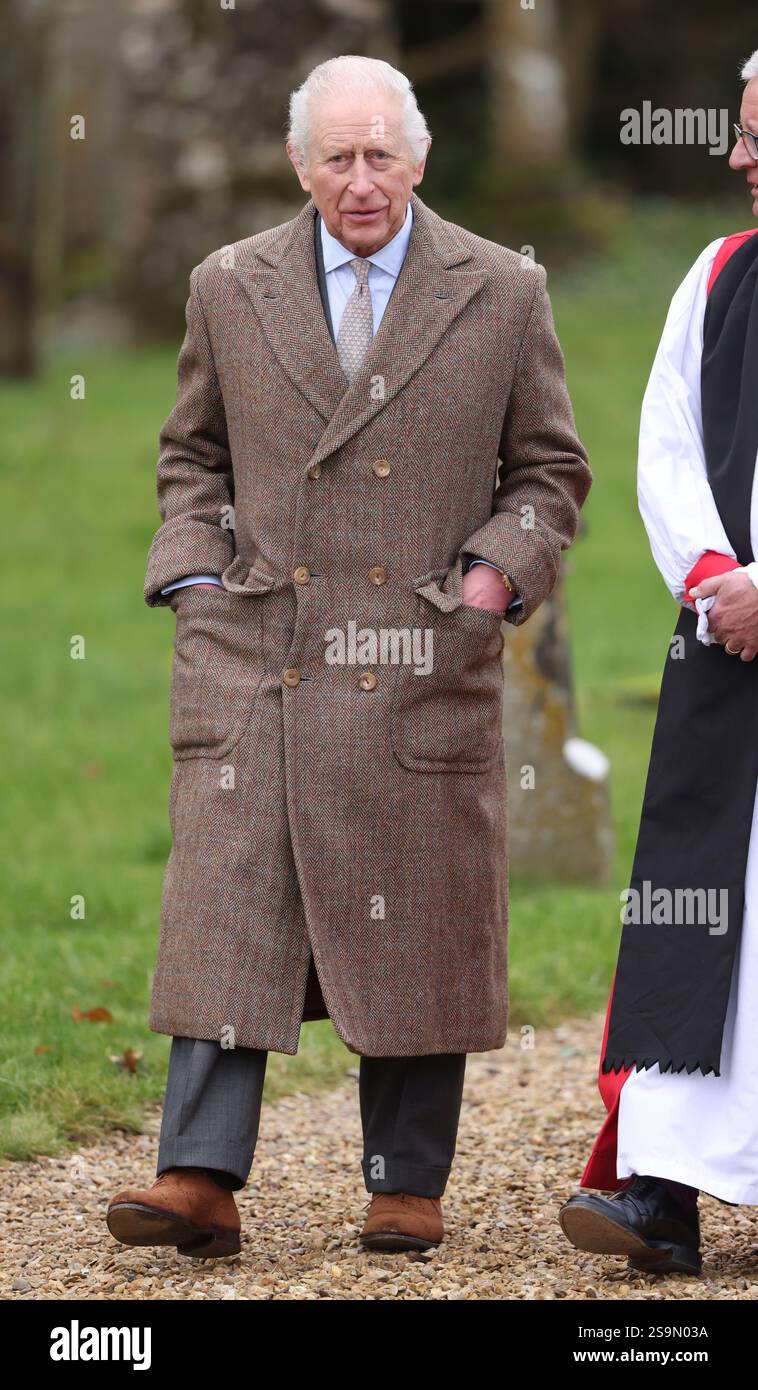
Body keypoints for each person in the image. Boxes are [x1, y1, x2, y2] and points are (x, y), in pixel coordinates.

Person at [106, 54, 590, 1260]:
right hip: (255, 647)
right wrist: (196, 570)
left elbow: (547, 471)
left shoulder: (501, 288)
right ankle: (196, 1178)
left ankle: (400, 1181)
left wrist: (487, 580)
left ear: (418, 158)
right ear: (298, 163)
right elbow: (190, 455)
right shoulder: (228, 284)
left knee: (415, 908)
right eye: (336, 156)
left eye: (381, 155)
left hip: (420, 651)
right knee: (228, 899)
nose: (359, 180)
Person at [559, 49, 758, 1277]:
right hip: (726, 647)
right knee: (698, 904)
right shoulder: (719, 272)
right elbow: (664, 440)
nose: (737, 157)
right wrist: (715, 578)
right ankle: (664, 1191)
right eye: (740, 131)